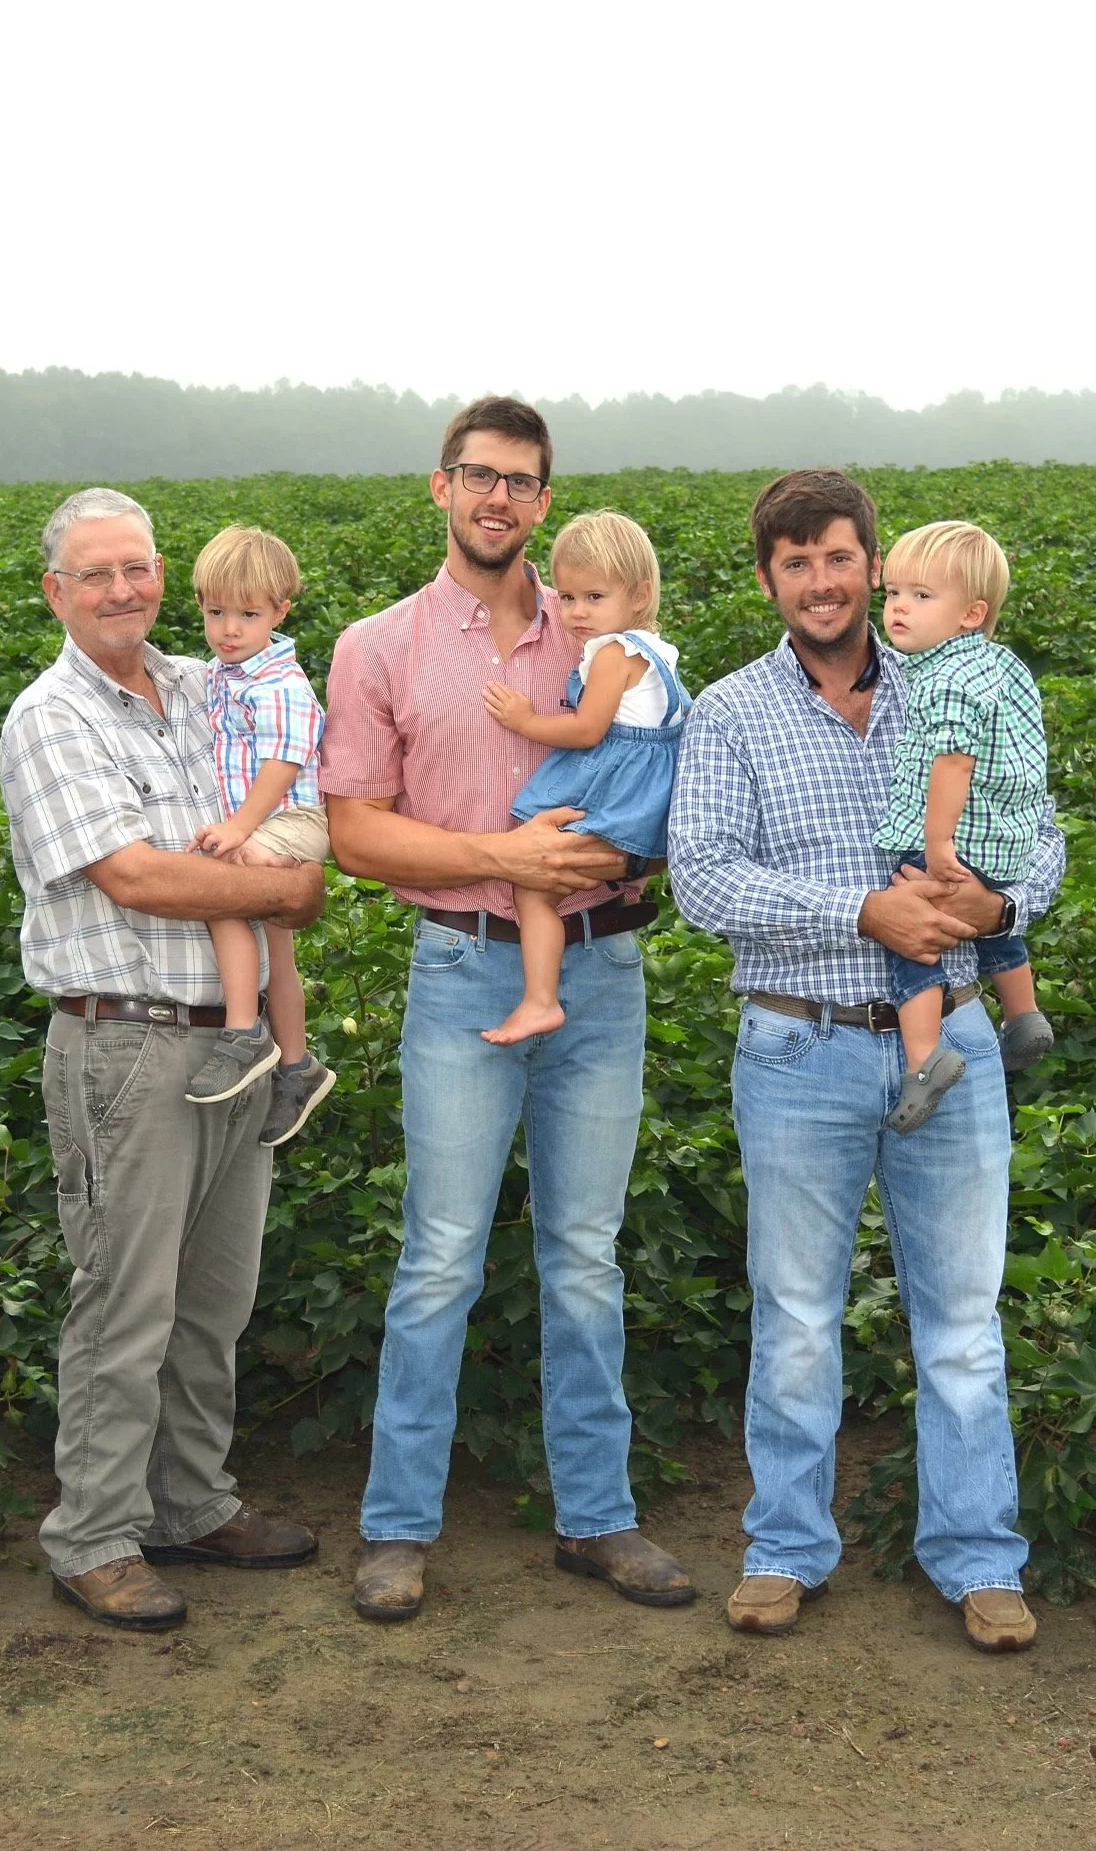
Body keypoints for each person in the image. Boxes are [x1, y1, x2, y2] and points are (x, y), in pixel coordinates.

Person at [665, 468, 1065, 1655]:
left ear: (873, 564)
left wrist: (997, 893)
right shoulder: (731, 711)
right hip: (795, 1046)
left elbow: (1037, 828)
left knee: (959, 1321)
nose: (822, 581)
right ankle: (784, 1546)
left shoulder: (960, 677)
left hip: (953, 1037)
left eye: (839, 557)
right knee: (794, 1315)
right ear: (766, 579)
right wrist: (859, 911)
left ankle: (978, 1558)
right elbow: (702, 876)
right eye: (796, 563)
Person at [321, 396, 696, 1623]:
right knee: (438, 1254)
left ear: (543, 500)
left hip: (602, 969)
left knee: (584, 1256)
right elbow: (354, 832)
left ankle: (596, 1517)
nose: (498, 499)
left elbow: (659, 782)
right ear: (439, 487)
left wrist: (624, 863)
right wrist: (506, 854)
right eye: (477, 476)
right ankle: (396, 1527)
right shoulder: (378, 645)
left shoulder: (602, 629)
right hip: (463, 965)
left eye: (521, 482)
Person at [0, 487, 326, 1633]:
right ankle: (91, 1534)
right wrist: (280, 886)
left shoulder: (206, 685)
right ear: (56, 592)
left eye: (137, 567)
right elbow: (136, 875)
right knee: (123, 1303)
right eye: (95, 574)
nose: (123, 589)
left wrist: (288, 871)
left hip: (228, 1040)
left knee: (212, 1299)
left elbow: (300, 799)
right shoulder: (50, 717)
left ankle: (191, 1500)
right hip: (126, 1042)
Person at [478, 509, 691, 1045]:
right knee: (568, 877)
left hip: (615, 783)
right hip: (647, 788)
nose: (576, 612)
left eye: (595, 598)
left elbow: (590, 730)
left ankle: (539, 999)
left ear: (639, 595)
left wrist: (525, 720)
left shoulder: (612, 653)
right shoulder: (656, 651)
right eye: (568, 598)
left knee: (531, 883)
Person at [871, 520, 1055, 1132]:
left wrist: (938, 839)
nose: (899, 607)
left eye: (922, 597)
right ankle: (1024, 1013)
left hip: (957, 838)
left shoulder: (943, 680)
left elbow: (953, 759)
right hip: (1007, 842)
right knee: (991, 924)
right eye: (894, 592)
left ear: (971, 613)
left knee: (913, 934)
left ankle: (924, 1058)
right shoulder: (1001, 666)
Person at [185, 524, 338, 1145]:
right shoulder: (224, 676)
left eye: (247, 615)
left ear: (279, 611)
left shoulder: (279, 683)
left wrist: (240, 827)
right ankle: (298, 1067)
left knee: (224, 892)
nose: (228, 629)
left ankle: (245, 1031)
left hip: (291, 819)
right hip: (261, 820)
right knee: (281, 957)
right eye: (216, 612)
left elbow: (283, 764)